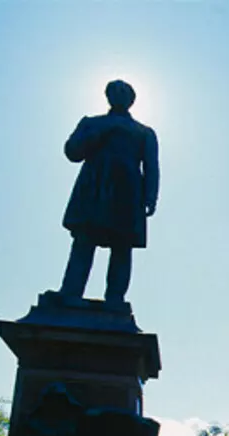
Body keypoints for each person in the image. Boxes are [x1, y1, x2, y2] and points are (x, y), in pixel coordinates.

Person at [60, 79, 159, 304]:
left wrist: (150, 196)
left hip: (127, 193)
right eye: (115, 92)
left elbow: (151, 166)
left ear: (131, 100)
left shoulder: (144, 132)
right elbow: (72, 152)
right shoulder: (92, 123)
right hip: (94, 187)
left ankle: (115, 299)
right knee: (84, 241)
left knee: (122, 246)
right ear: (108, 96)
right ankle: (71, 293)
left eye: (125, 93)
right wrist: (96, 135)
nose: (119, 96)